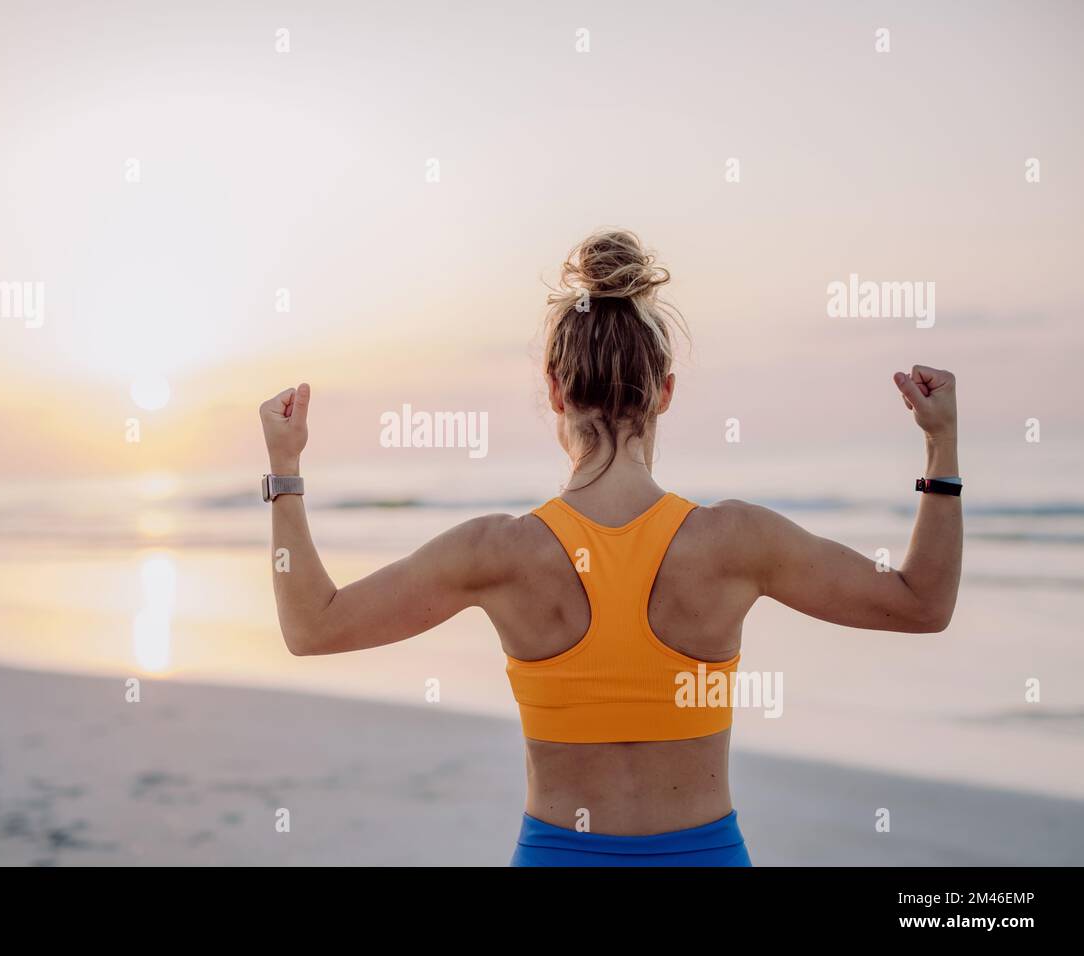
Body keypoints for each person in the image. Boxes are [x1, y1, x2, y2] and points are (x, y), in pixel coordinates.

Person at [258, 229, 962, 866]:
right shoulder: (737, 541)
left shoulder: (495, 552)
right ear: (665, 392)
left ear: (557, 391)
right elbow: (921, 604)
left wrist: (285, 473)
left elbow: (312, 627)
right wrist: (941, 445)